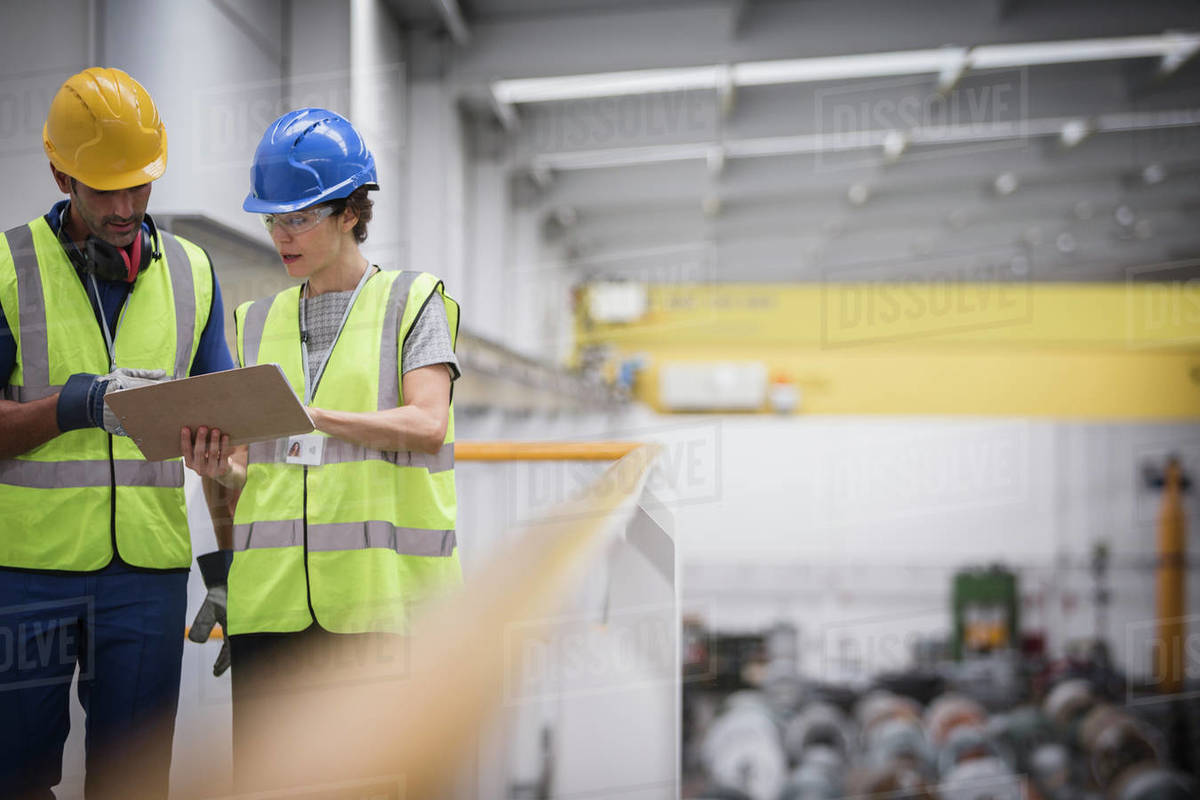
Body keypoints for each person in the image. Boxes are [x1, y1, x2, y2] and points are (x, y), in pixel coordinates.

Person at [181, 107, 462, 791]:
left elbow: (429, 423)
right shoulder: (254, 324)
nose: (283, 236)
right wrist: (219, 469)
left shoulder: (413, 302)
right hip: (270, 610)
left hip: (381, 611)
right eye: (273, 220)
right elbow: (249, 477)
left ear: (350, 213)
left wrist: (317, 416)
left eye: (299, 218)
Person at [0, 68, 236, 799]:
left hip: (148, 576)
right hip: (26, 572)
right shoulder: (7, 268)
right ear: (60, 173)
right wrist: (74, 405)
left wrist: (228, 572)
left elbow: (222, 439)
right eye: (108, 189)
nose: (128, 207)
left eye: (141, 187)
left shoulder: (193, 272)